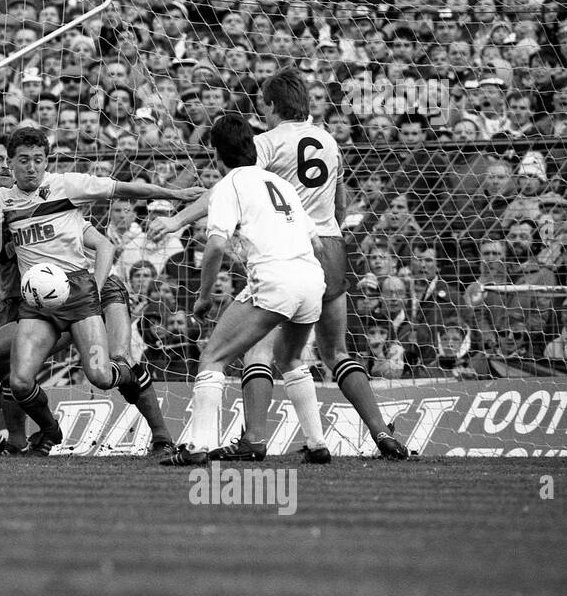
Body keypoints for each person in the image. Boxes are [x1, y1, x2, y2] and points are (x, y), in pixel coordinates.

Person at [153, 71, 411, 461]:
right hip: (330, 246)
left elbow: (230, 185)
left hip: (285, 251)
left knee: (257, 348)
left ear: (271, 105)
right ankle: (380, 433)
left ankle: (254, 439)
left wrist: (176, 220)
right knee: (335, 352)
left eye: (262, 104)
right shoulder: (328, 141)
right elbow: (341, 204)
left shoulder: (266, 142)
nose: (261, 112)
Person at [0, 127, 200, 456]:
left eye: (38, 160)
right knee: (19, 379)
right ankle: (48, 431)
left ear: (46, 161)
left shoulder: (67, 186)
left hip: (88, 291)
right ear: (10, 164)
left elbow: (123, 189)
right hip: (40, 303)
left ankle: (157, 428)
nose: (31, 167)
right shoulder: (3, 202)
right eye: (23, 160)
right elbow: (1, 244)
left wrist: (174, 195)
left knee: (102, 372)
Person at [161, 113, 329, 467]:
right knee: (290, 359)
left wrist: (204, 297)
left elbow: (216, 247)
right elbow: (317, 244)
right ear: (253, 147)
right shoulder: (280, 183)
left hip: (275, 278)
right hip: (311, 278)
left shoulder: (228, 185)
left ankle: (196, 447)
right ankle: (317, 443)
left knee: (212, 357)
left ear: (217, 156)